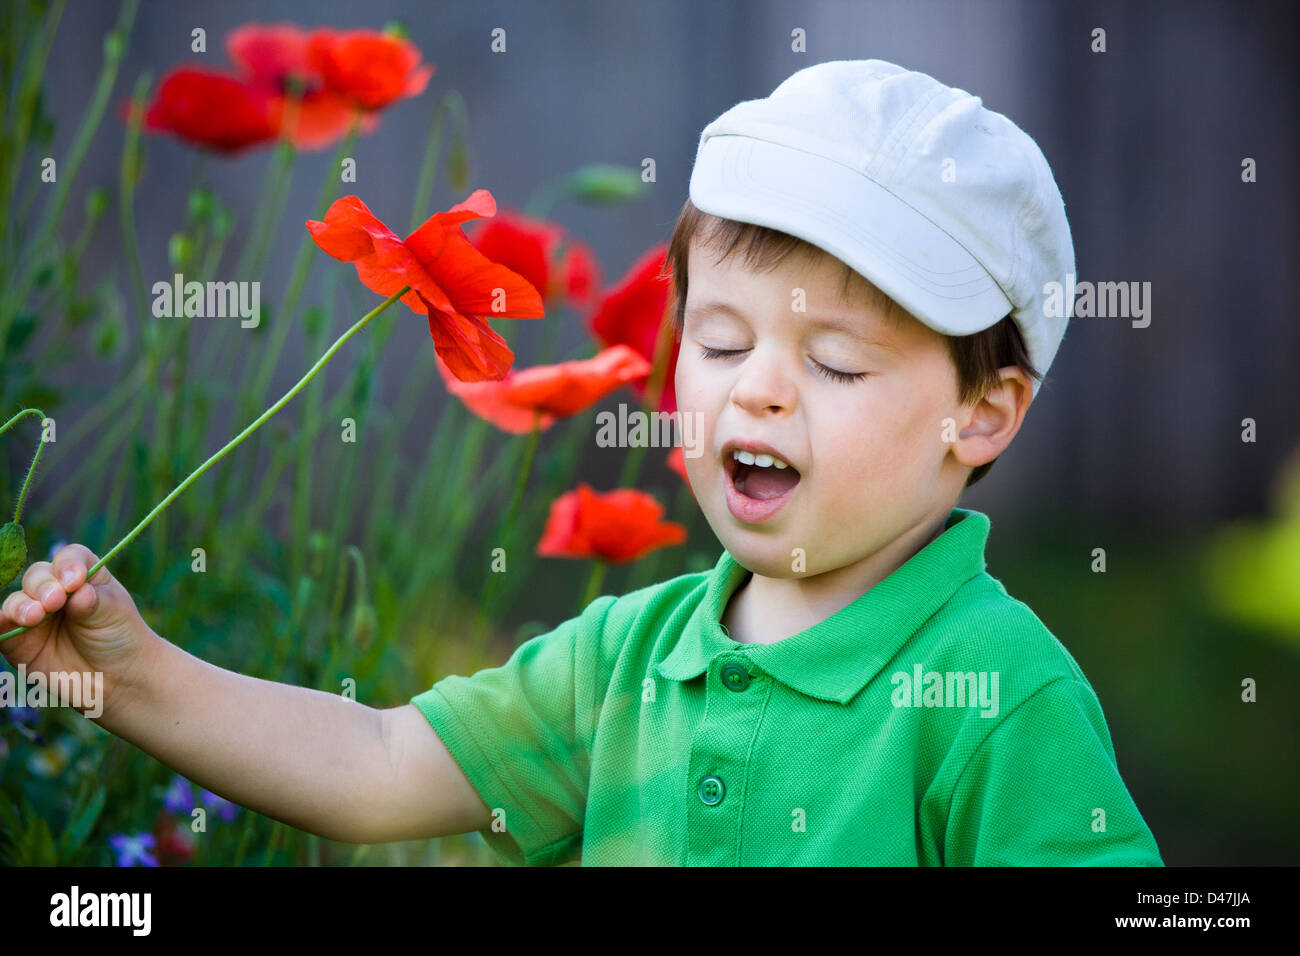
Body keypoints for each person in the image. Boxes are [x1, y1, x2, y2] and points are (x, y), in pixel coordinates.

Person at [0, 59, 1162, 865]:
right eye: (718, 340)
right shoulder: (624, 659)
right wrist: (126, 674)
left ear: (983, 413)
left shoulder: (1001, 697)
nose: (754, 385)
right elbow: (379, 760)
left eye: (838, 364)